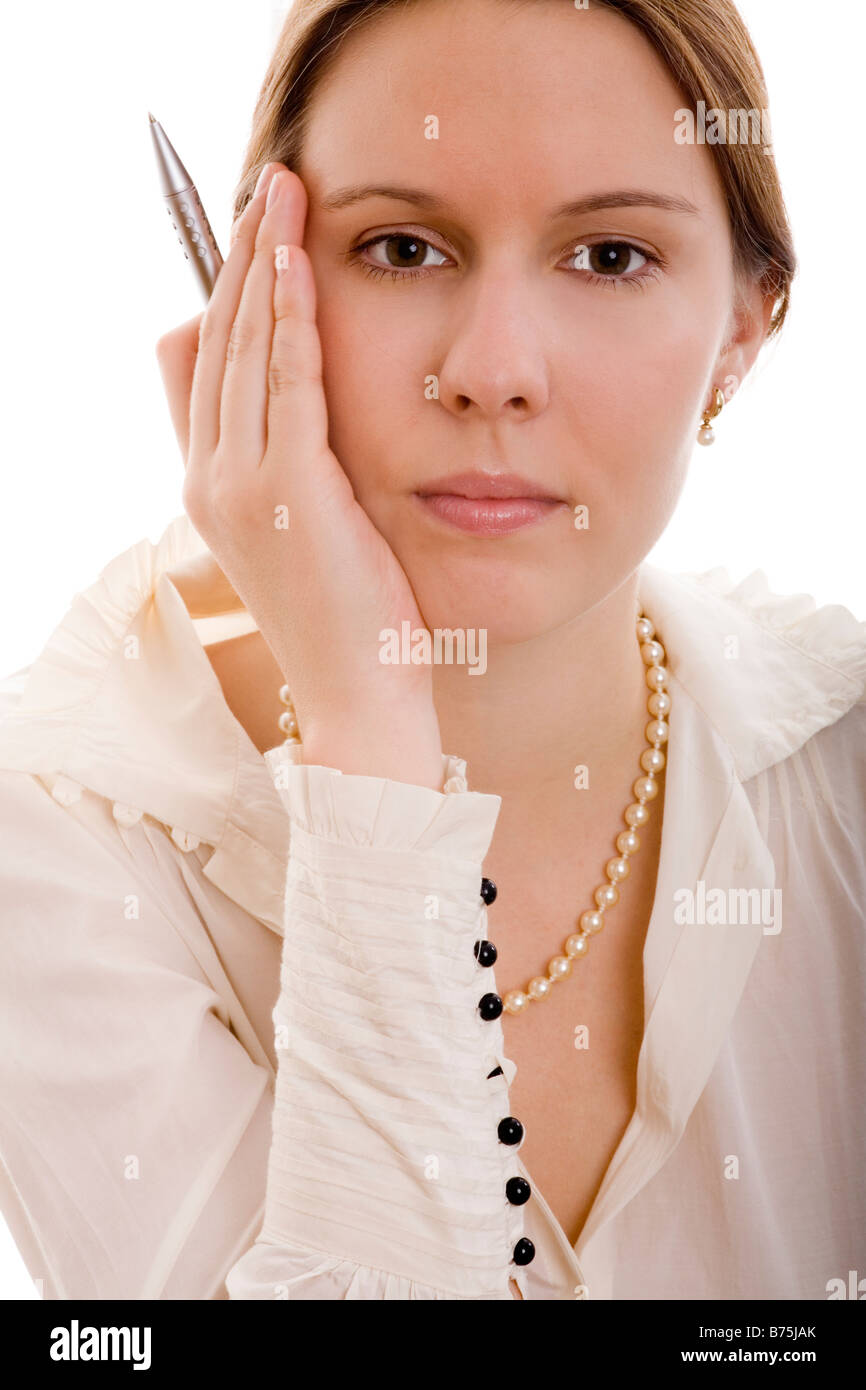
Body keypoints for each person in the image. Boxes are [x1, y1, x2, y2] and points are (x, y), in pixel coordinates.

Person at [0, 0, 864, 1301]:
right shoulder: (58, 838)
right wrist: (366, 728)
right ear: (257, 289)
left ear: (744, 327)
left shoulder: (840, 767)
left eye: (611, 255)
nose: (490, 369)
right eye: (401, 248)